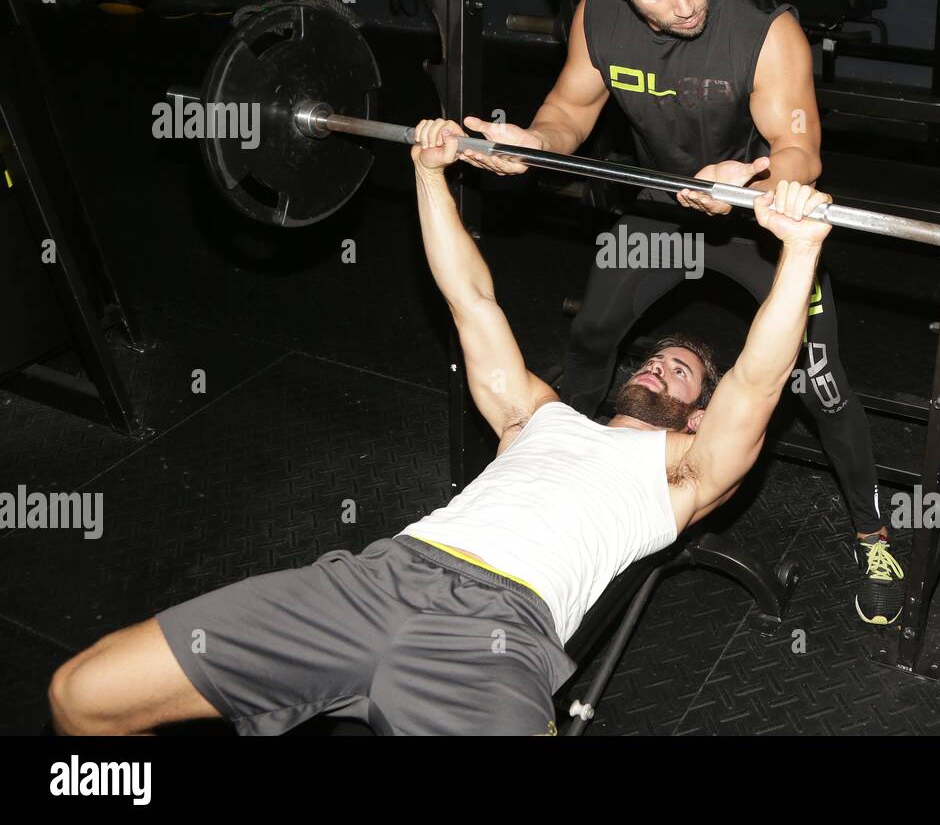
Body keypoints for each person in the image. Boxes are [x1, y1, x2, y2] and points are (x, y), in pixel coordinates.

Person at [47, 118, 836, 737]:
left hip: (495, 637)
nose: (660, 367)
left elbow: (760, 379)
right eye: (656, 358)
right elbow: (472, 301)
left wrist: (799, 249)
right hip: (375, 579)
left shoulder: (687, 469)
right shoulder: (538, 413)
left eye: (682, 371)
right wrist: (428, 172)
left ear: (699, 409)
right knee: (82, 694)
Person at [457, 0, 903, 625]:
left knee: (821, 383)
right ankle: (561, 477)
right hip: (661, 211)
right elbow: (569, 109)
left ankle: (874, 531)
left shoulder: (764, 30)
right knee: (593, 333)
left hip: (757, 223)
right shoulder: (599, 21)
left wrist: (759, 177)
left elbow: (800, 146)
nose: (687, 3)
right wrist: (533, 143)